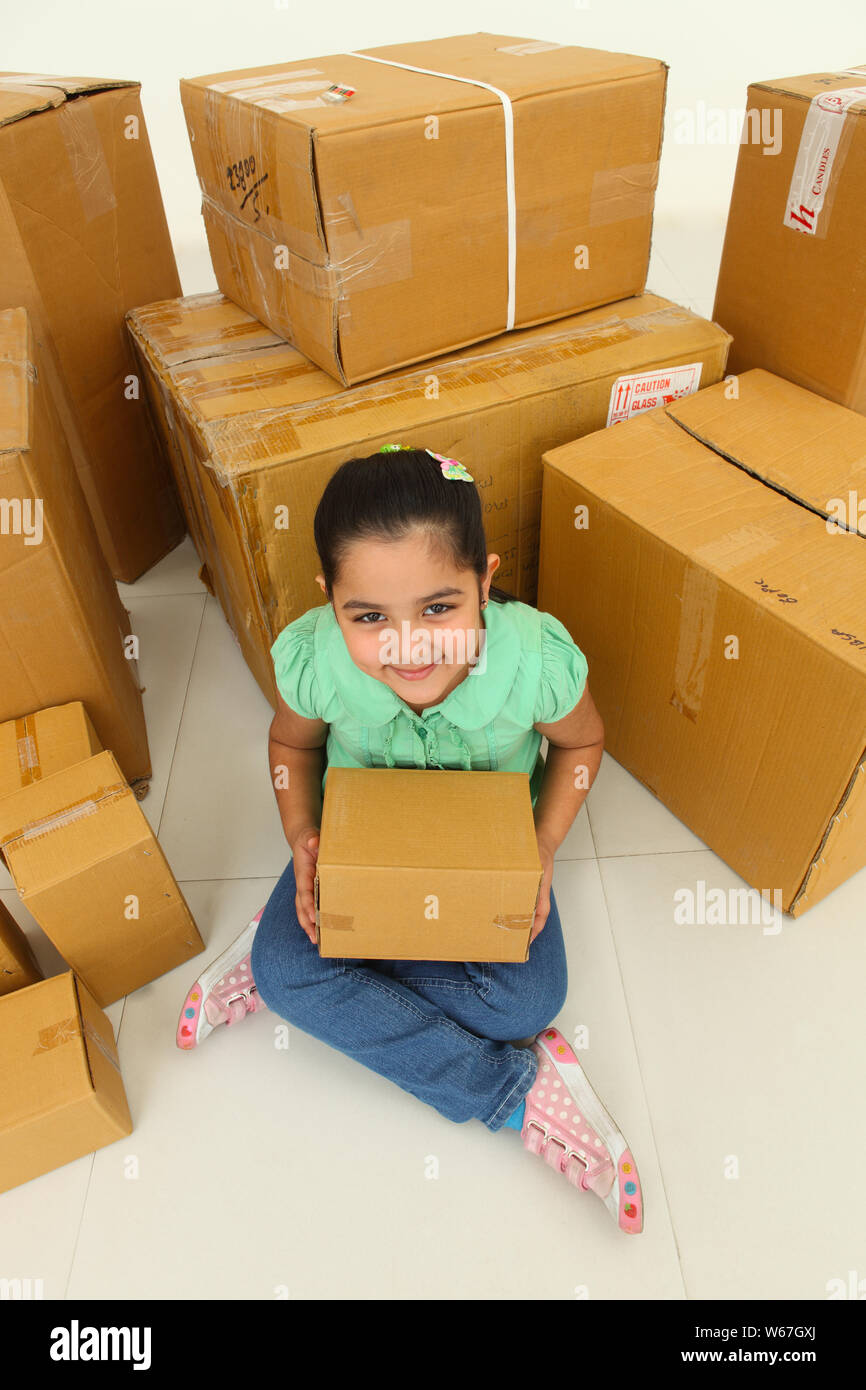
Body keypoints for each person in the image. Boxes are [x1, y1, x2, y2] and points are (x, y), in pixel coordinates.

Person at [176, 445, 643, 1234]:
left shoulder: (532, 661)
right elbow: (292, 750)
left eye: (439, 609)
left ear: (485, 583)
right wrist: (302, 833)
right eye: (368, 617)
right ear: (331, 602)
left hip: (488, 853)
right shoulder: (318, 660)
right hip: (358, 846)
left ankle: (333, 972)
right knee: (287, 975)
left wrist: (543, 843)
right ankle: (517, 1092)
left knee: (529, 999)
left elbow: (583, 747)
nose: (408, 647)